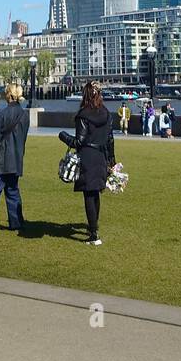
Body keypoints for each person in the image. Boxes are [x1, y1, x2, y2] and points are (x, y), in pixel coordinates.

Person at [72, 82, 115, 246]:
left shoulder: (83, 115)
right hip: (101, 155)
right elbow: (110, 138)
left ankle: (94, 234)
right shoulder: (106, 113)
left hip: (88, 156)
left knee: (89, 195)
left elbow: (79, 141)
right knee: (96, 192)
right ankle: (93, 227)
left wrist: (63, 137)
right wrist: (111, 159)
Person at [0, 82, 30, 238]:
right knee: (13, 191)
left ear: (8, 95)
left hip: (1, 158)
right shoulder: (24, 115)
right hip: (17, 157)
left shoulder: (1, 114)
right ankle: (16, 222)